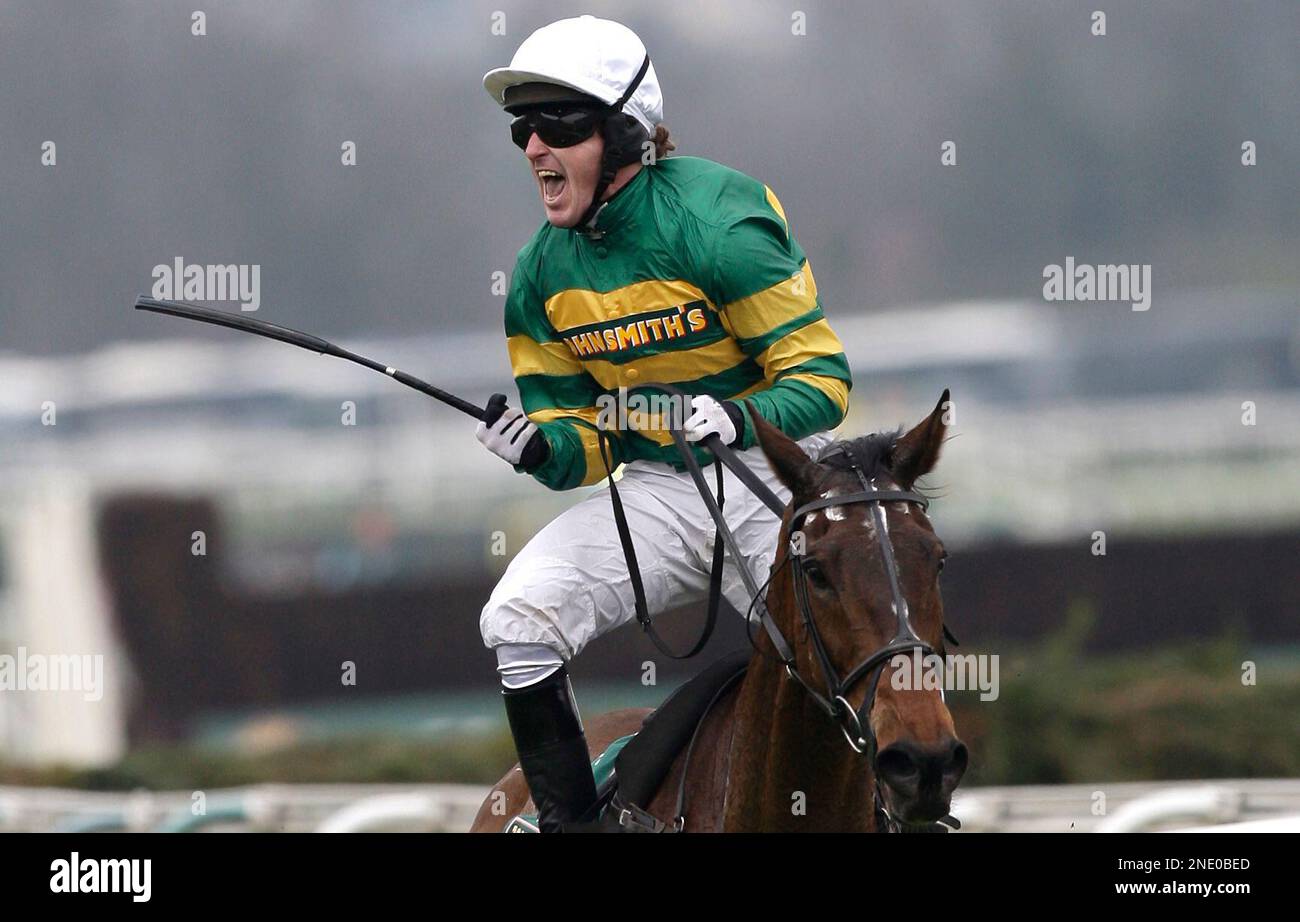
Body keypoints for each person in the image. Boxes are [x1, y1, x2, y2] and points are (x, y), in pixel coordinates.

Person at [478, 15, 852, 831]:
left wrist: (740, 415)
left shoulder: (722, 222)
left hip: (773, 480)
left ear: (625, 135)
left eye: (560, 125)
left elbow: (823, 382)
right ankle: (574, 826)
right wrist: (543, 449)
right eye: (524, 128)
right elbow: (586, 442)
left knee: (830, 657)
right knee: (517, 617)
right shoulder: (538, 276)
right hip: (657, 489)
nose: (536, 147)